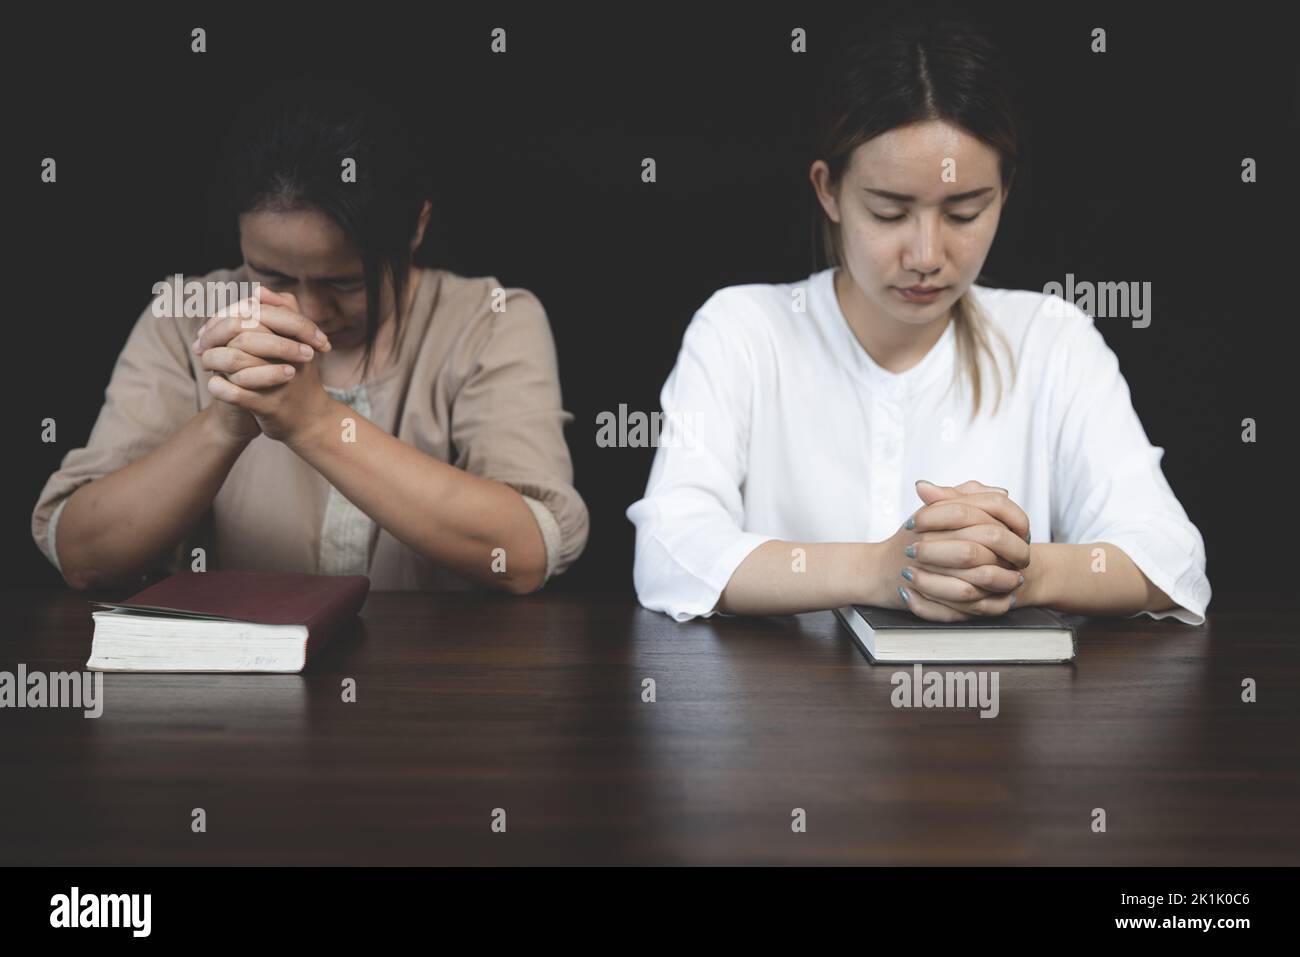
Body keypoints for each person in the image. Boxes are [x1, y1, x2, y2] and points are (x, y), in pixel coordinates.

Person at [626, 11, 1210, 624]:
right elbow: (671, 552)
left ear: (1004, 193)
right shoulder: (743, 330)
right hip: (783, 716)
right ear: (828, 191)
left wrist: (1018, 570)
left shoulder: (1051, 340)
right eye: (888, 212)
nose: (927, 257)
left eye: (964, 212)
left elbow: (1172, 557)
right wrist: (882, 569)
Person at [32, 76, 588, 593]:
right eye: (271, 275)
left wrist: (315, 422)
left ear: (416, 227)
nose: (310, 309)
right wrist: (225, 424)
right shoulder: (186, 315)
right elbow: (82, 553)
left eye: (346, 281)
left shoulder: (490, 321)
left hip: (428, 685)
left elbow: (524, 553)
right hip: (234, 688)